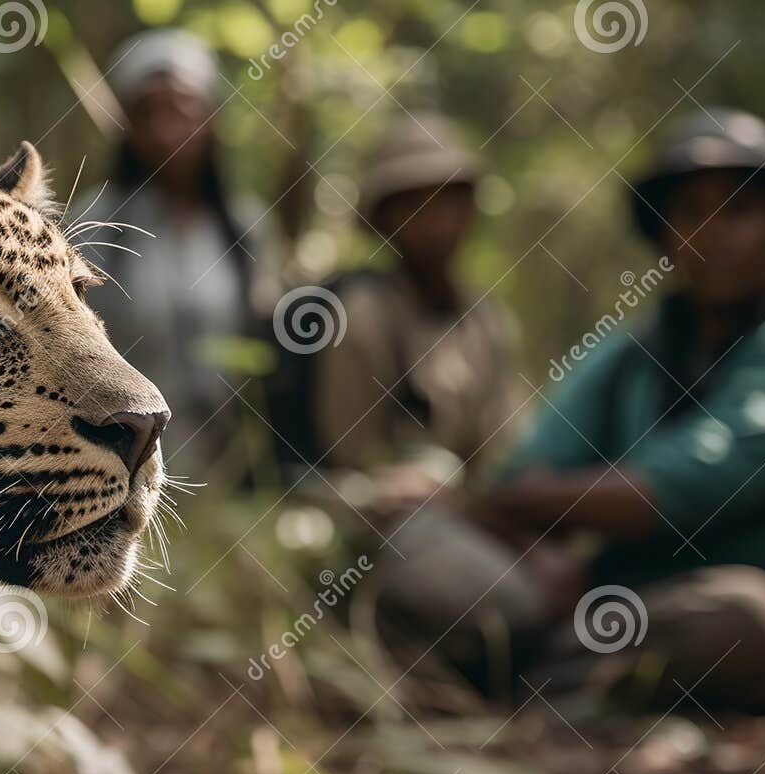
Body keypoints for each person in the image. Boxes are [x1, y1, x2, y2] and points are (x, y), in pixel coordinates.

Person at [380, 108, 765, 710]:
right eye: (690, 213)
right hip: (614, 602)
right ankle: (531, 675)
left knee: (742, 618)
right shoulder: (630, 356)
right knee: (413, 539)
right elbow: (529, 470)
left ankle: (515, 682)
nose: (711, 234)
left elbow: (683, 486)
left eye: (739, 211)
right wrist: (540, 549)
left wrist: (512, 511)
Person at [73, 30, 268, 479]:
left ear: (212, 117)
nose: (167, 129)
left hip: (226, 474)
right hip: (118, 467)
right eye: (149, 112)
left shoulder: (245, 229)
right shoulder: (96, 222)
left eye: (182, 109)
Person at [310, 112, 525, 505]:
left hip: (475, 515)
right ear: (386, 219)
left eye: (449, 200)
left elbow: (503, 446)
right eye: (415, 205)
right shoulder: (362, 316)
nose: (437, 221)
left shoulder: (485, 319)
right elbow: (349, 457)